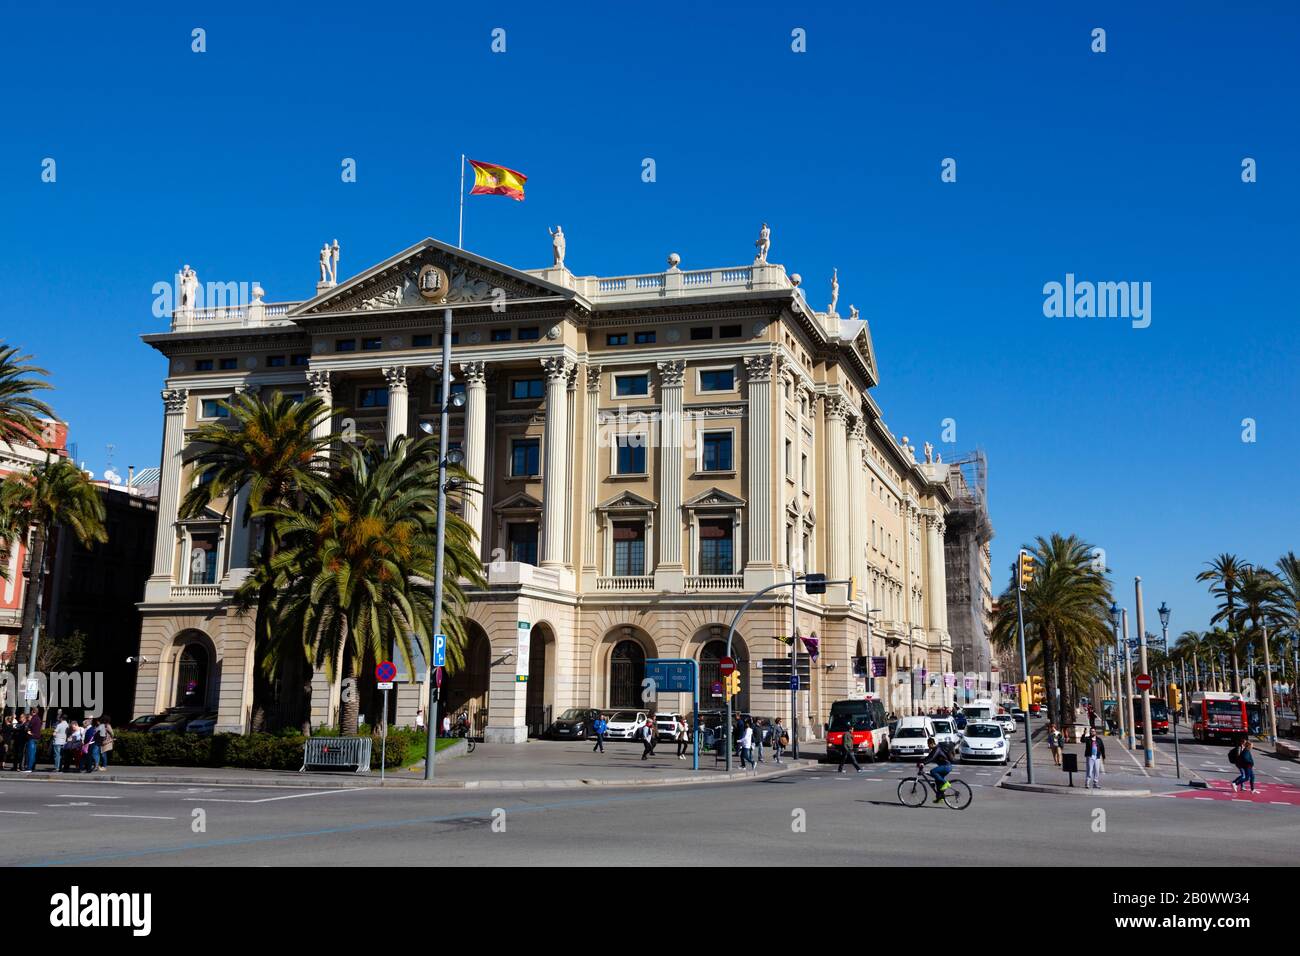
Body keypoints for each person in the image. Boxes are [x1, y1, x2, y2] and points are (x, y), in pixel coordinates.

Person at [921, 735, 955, 802]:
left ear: (932, 743)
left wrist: (923, 763)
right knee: (938, 782)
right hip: (944, 767)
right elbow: (928, 757)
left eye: (928, 744)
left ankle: (946, 783)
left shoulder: (937, 749)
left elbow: (932, 758)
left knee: (933, 771)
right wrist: (920, 762)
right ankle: (940, 798)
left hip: (946, 766)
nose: (928, 746)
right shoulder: (934, 750)